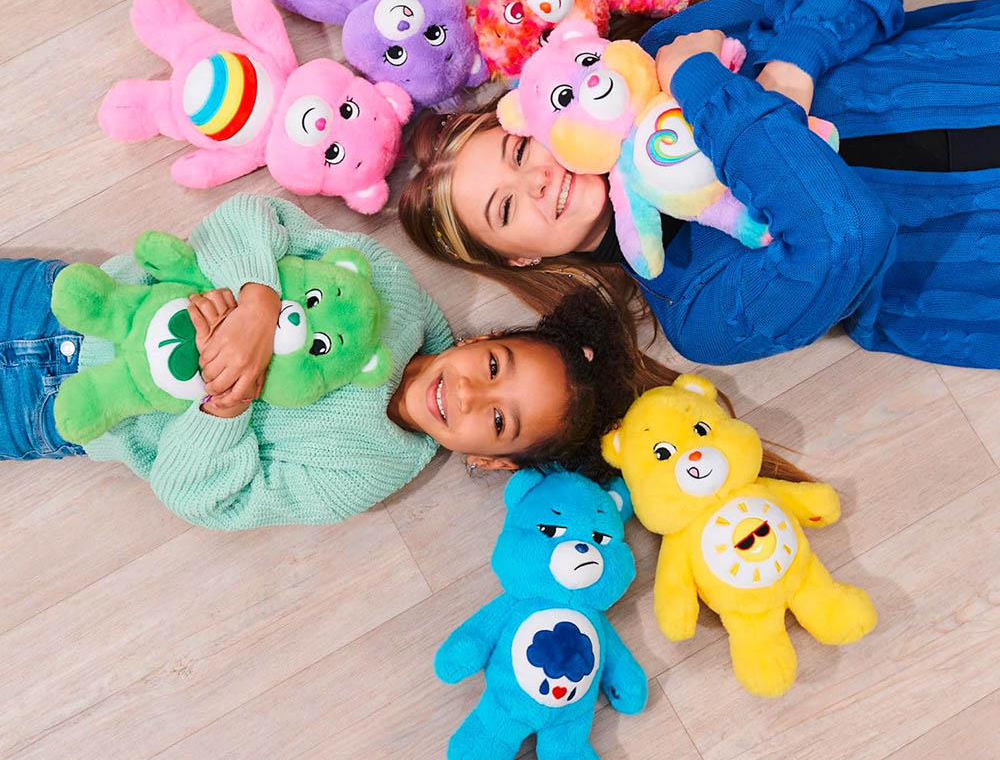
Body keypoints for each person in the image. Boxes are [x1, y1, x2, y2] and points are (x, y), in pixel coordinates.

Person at [401, 0, 1000, 369]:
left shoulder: (661, 52)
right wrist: (704, 88)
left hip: (969, 70)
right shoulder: (696, 308)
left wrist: (794, 64)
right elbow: (845, 235)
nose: (533, 180)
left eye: (516, 152)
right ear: (519, 260)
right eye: (505, 209)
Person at [1, 194, 663, 530]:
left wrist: (227, 406)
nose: (468, 395)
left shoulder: (365, 471)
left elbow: (198, 497)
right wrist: (258, 302)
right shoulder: (390, 291)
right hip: (59, 301)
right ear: (478, 341)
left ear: (493, 461)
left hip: (48, 414)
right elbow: (251, 216)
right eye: (493, 368)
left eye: (497, 422)